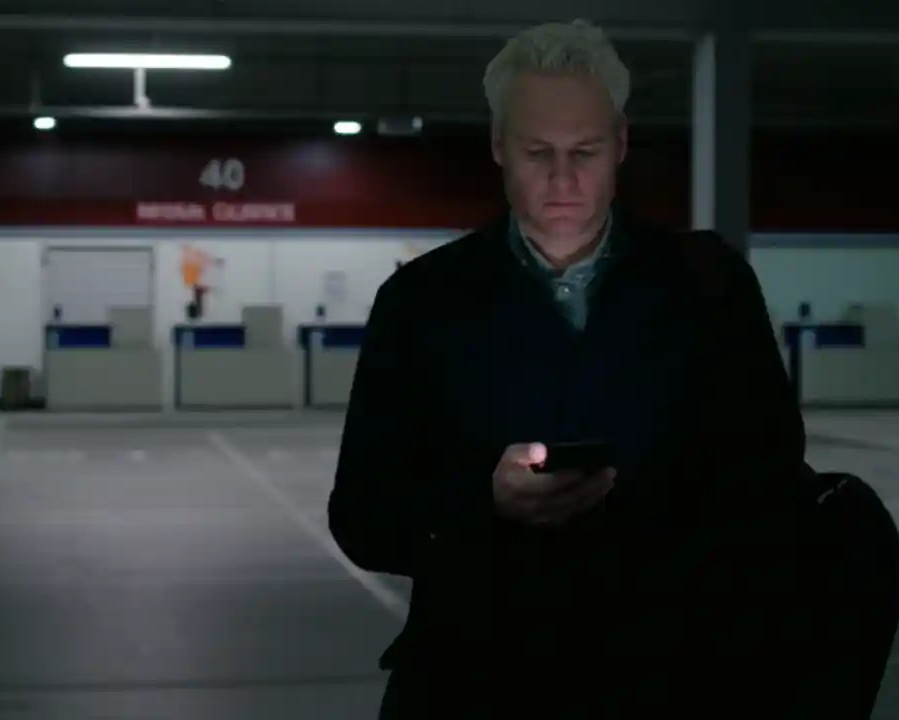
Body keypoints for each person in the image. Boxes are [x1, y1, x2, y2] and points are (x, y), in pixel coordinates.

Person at [328, 19, 813, 718]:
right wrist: (482, 499)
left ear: (620, 144)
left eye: (584, 151)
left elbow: (772, 478)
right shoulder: (421, 301)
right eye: (537, 152)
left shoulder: (710, 286)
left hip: (668, 679)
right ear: (498, 146)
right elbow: (361, 515)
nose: (562, 179)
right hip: (473, 682)